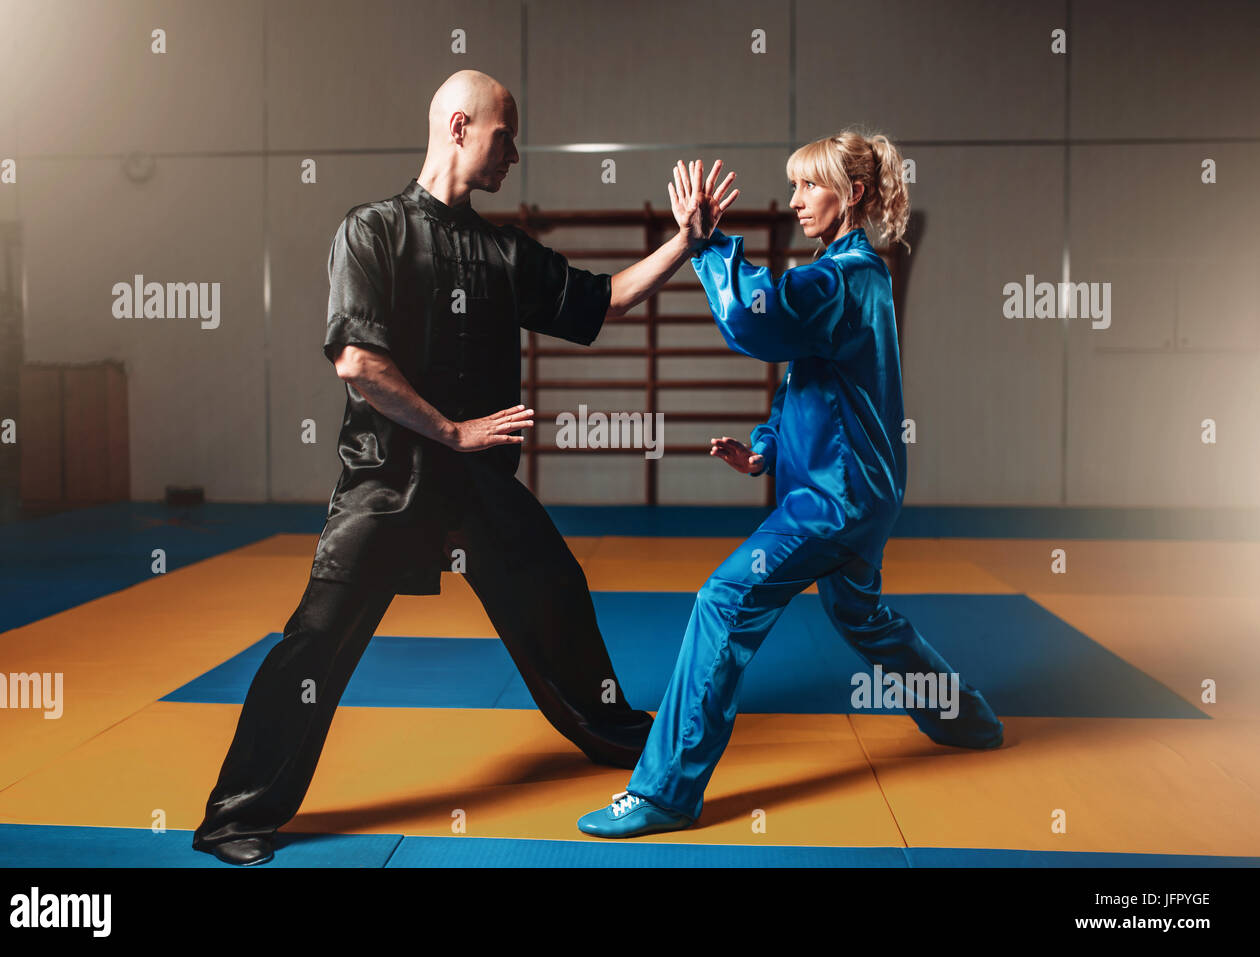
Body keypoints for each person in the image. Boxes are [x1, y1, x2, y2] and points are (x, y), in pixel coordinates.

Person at [192, 70, 733, 865]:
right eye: (503, 135)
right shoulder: (369, 231)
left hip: (478, 489)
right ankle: (234, 816)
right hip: (386, 483)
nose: (515, 152)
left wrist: (687, 241)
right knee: (314, 643)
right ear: (456, 126)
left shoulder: (500, 252)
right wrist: (453, 429)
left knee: (556, 593)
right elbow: (356, 362)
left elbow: (606, 301)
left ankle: (627, 745)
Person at [577, 132, 1005, 838]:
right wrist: (764, 452)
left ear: (854, 195)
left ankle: (663, 792)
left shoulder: (842, 280)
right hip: (858, 494)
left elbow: (752, 316)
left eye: (811, 187)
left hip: (833, 502)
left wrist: (707, 243)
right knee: (864, 618)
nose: (798, 201)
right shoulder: (849, 274)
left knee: (724, 598)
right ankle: (970, 717)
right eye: (797, 185)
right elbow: (806, 384)